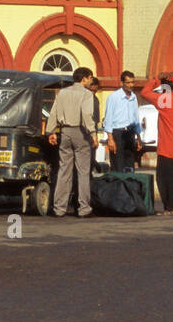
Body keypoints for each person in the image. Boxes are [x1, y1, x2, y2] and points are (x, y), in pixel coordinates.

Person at [45, 67, 99, 217]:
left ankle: (59, 208)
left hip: (64, 132)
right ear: (84, 78)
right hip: (81, 132)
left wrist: (50, 132)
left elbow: (53, 113)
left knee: (64, 171)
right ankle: (84, 208)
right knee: (83, 172)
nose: (91, 81)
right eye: (90, 78)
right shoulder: (87, 94)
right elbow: (87, 114)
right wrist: (93, 133)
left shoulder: (62, 93)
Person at [141, 71, 173, 215]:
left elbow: (144, 92)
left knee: (165, 178)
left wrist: (156, 79)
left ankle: (171, 207)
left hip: (167, 144)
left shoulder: (164, 100)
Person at [103, 70, 142, 173]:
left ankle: (129, 187)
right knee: (118, 165)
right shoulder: (113, 97)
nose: (131, 85)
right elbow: (108, 118)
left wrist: (138, 137)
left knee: (129, 165)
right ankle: (117, 187)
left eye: (132, 82)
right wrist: (110, 139)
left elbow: (136, 118)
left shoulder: (134, 97)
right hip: (118, 134)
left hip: (130, 133)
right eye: (128, 82)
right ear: (122, 83)